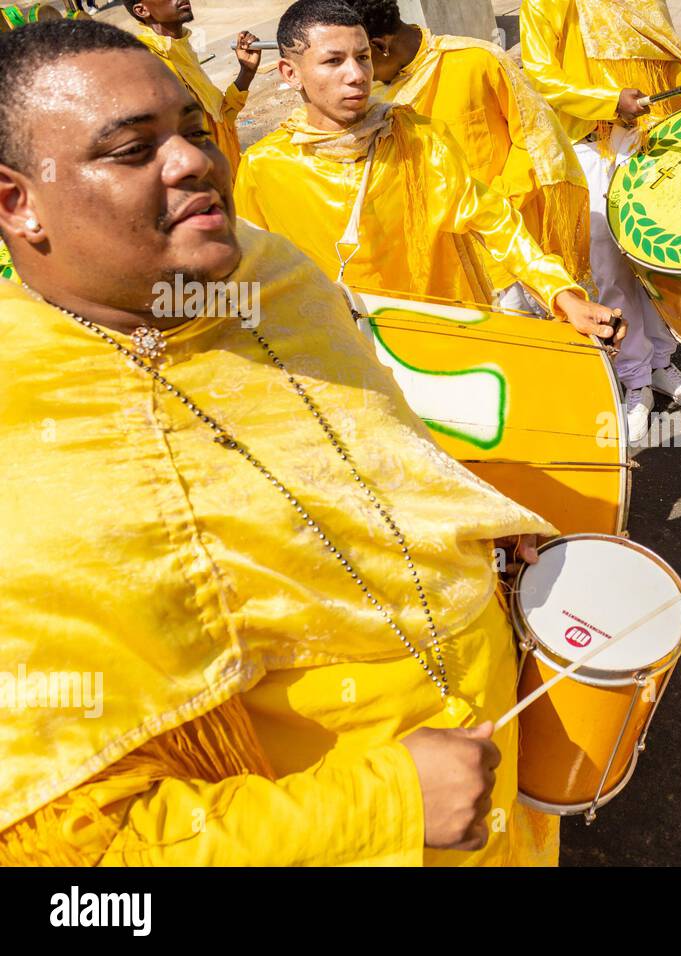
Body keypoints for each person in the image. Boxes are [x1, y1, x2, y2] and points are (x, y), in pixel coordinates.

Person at [0, 18, 561, 866]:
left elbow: (372, 451)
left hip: (496, 793)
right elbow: (84, 870)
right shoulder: (25, 451)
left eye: (193, 129)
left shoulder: (269, 280)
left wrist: (467, 534)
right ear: (19, 202)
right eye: (131, 150)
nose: (196, 161)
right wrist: (385, 808)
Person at [235, 0, 618, 344]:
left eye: (363, 57)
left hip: (446, 336)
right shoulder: (265, 168)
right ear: (290, 72)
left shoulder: (418, 137)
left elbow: (494, 220)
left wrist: (562, 295)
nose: (356, 74)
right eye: (334, 61)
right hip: (342, 350)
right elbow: (250, 275)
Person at [519, 0, 681, 441]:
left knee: (653, 258)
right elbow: (541, 75)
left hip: (650, 141)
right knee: (611, 267)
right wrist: (609, 101)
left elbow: (668, 59)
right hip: (590, 147)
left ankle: (661, 362)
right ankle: (634, 379)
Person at [354, 0, 590, 316]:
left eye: (360, 59)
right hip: (444, 270)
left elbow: (537, 141)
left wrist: (493, 207)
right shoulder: (369, 102)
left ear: (378, 46)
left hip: (512, 254)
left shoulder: (475, 61)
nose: (356, 75)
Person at [128, 0, 262, 173]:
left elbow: (219, 117)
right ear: (142, 10)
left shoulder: (179, 48)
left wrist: (246, 72)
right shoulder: (144, 60)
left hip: (229, 175)